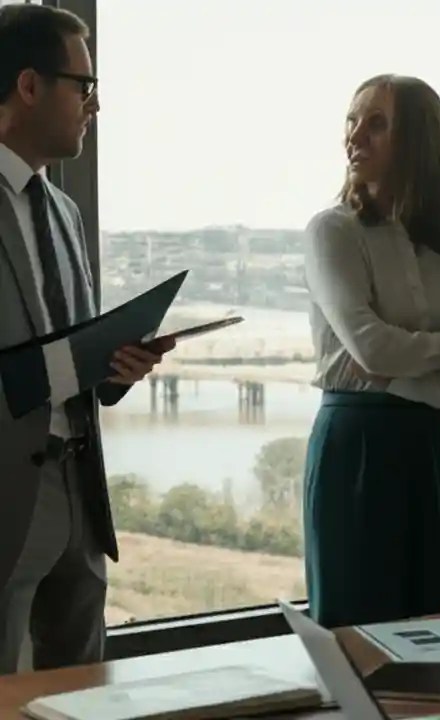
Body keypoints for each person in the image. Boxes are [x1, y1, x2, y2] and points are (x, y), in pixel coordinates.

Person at [0, 5, 172, 673]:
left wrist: (117, 369)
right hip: (9, 486)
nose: (94, 106)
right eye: (84, 86)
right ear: (30, 85)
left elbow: (76, 352)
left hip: (79, 486)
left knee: (83, 689)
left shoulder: (66, 211)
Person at [302, 74, 440, 628]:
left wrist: (406, 368)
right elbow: (371, 349)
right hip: (358, 450)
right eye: (351, 120)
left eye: (377, 123)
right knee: (359, 635)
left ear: (419, 140)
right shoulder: (331, 232)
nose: (355, 136)